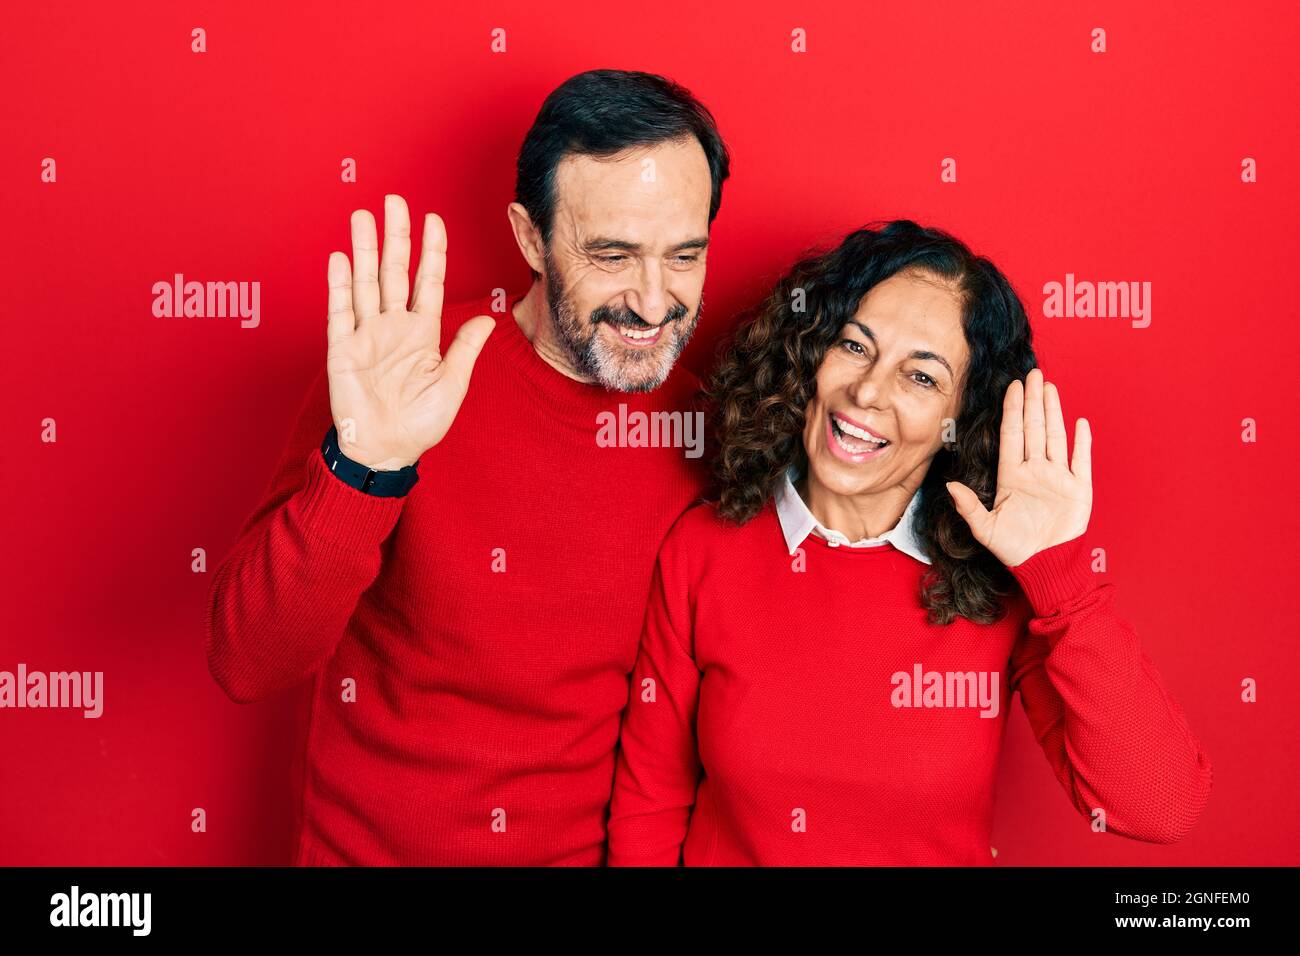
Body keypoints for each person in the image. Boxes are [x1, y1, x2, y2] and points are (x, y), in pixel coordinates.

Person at [204, 69, 730, 865]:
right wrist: (366, 465)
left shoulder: (711, 435)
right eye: (613, 255)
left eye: (683, 256)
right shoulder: (401, 375)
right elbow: (248, 660)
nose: (654, 303)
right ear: (530, 238)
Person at [606, 220, 1213, 865]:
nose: (867, 392)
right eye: (853, 346)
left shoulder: (995, 589)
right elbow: (651, 804)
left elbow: (1160, 806)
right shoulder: (704, 551)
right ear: (807, 352)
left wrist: (1056, 572)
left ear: (962, 418)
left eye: (921, 377)